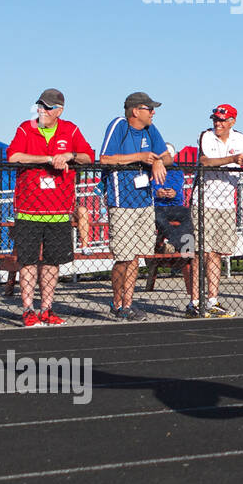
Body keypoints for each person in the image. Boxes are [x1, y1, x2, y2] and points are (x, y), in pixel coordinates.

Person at [6, 89, 95, 327]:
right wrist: (47, 159)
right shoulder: (26, 128)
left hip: (59, 211)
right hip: (28, 210)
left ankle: (47, 309)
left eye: (46, 107)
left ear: (59, 110)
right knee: (27, 261)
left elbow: (89, 156)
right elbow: (13, 156)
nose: (41, 111)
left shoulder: (71, 129)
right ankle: (28, 310)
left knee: (52, 262)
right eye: (39, 106)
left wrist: (69, 155)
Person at [99, 92, 172, 320]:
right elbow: (104, 158)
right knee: (123, 256)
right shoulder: (119, 125)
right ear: (135, 111)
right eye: (149, 108)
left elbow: (168, 156)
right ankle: (117, 301)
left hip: (144, 200)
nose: (153, 112)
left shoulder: (151, 129)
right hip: (122, 203)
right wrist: (139, 157)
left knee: (136, 256)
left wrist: (158, 160)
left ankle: (127, 304)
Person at [195, 103, 243, 318]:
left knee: (217, 253)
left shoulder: (240, 138)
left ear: (232, 121)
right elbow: (205, 162)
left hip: (226, 203)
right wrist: (233, 159)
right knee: (201, 251)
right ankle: (196, 300)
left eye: (223, 120)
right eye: (215, 119)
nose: (218, 123)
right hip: (204, 201)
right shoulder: (206, 136)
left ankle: (212, 300)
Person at [151, 143, 199, 312]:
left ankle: (180, 244)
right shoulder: (153, 168)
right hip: (158, 206)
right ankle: (178, 243)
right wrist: (157, 192)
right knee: (158, 218)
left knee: (187, 215)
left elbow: (179, 190)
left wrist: (173, 193)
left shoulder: (177, 170)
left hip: (174, 206)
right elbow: (149, 188)